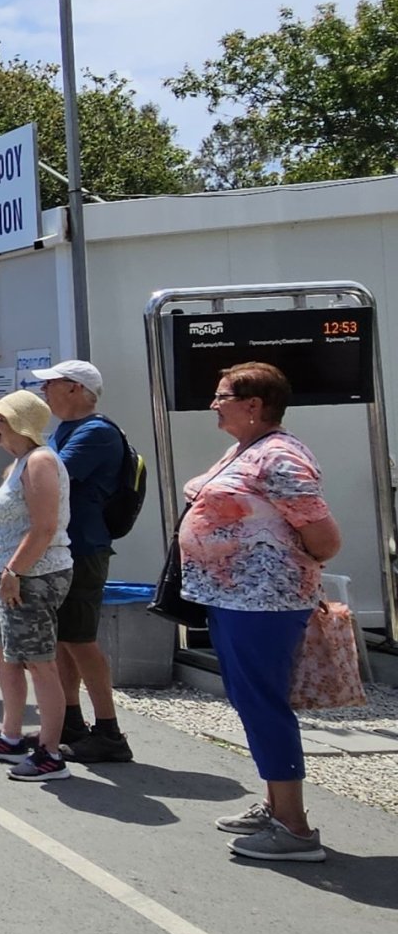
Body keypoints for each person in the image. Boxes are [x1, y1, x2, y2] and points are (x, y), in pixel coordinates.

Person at [184, 363, 342, 864]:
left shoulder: (279, 457)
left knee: (263, 704)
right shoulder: (247, 449)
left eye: (222, 396)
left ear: (254, 405)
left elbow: (325, 539)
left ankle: (294, 828)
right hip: (237, 600)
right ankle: (277, 807)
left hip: (264, 603)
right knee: (251, 700)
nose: (214, 405)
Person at [0, 391, 75, 779]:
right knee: (3, 651)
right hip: (13, 572)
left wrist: (14, 572)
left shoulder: (41, 461)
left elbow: (44, 528)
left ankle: (49, 752)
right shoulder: (21, 462)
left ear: (17, 424)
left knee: (39, 662)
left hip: (33, 574)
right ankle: (11, 737)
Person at [34, 360, 134, 763]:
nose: (44, 392)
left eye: (51, 385)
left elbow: (47, 478)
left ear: (76, 389)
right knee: (63, 640)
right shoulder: (66, 430)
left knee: (80, 640)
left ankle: (109, 731)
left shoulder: (95, 432)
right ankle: (71, 723)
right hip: (65, 546)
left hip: (83, 548)